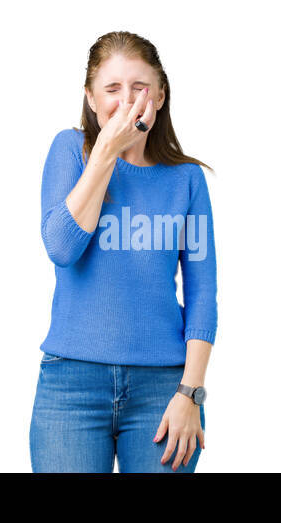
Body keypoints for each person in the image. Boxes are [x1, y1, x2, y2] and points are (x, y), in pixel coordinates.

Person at [32, 31, 217, 473]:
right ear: (91, 98)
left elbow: (202, 295)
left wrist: (190, 393)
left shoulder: (187, 180)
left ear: (160, 95)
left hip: (163, 389)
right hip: (71, 386)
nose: (127, 100)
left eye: (139, 87)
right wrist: (106, 153)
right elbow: (61, 248)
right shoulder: (69, 151)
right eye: (112, 88)